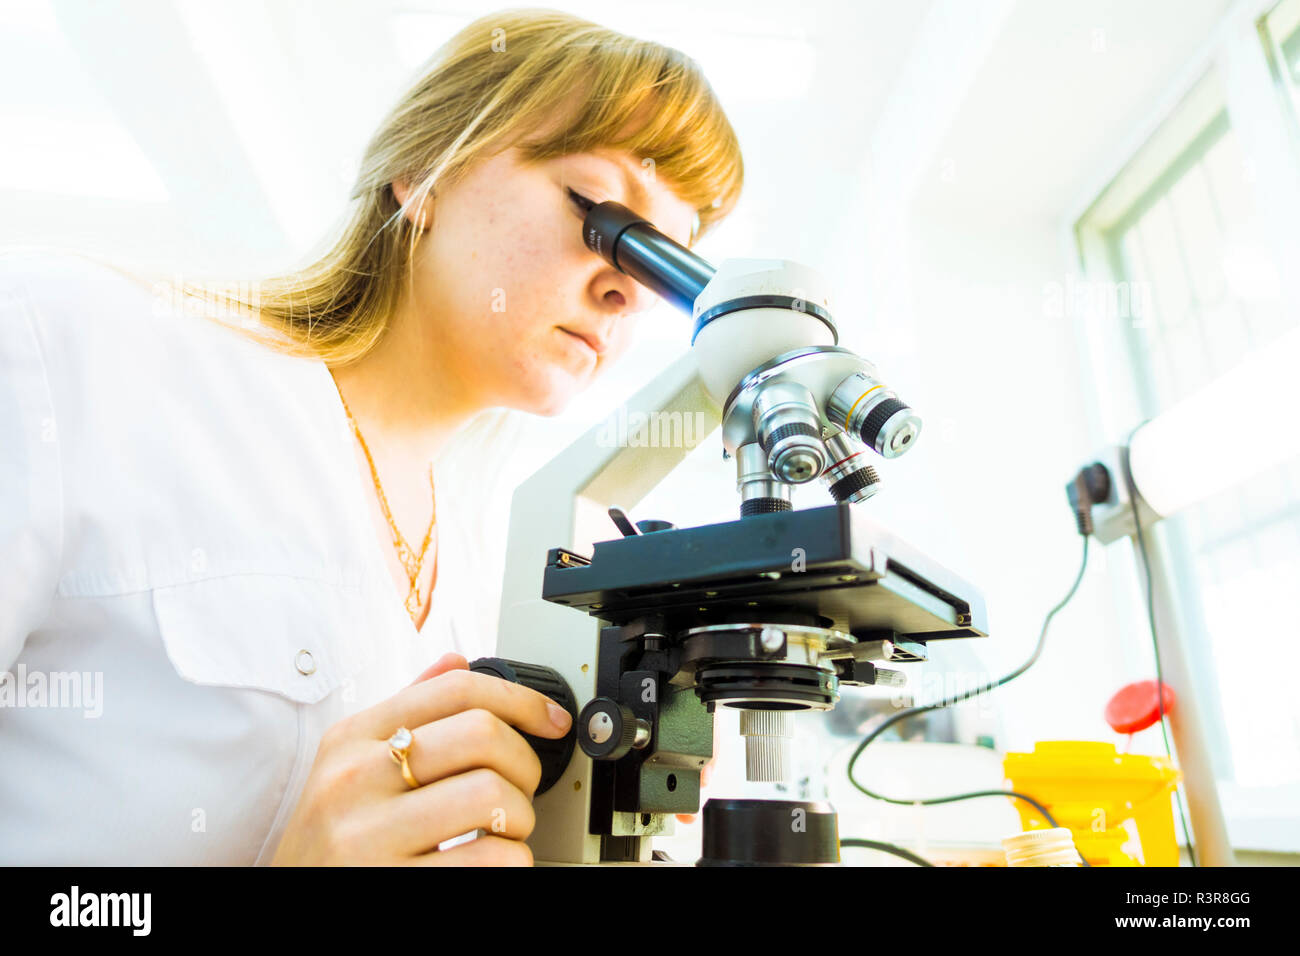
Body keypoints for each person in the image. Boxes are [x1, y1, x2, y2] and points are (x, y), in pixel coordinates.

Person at [0, 8, 743, 865]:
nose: (629, 291)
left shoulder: (480, 577)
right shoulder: (66, 352)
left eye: (667, 262)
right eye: (608, 219)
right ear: (422, 174)